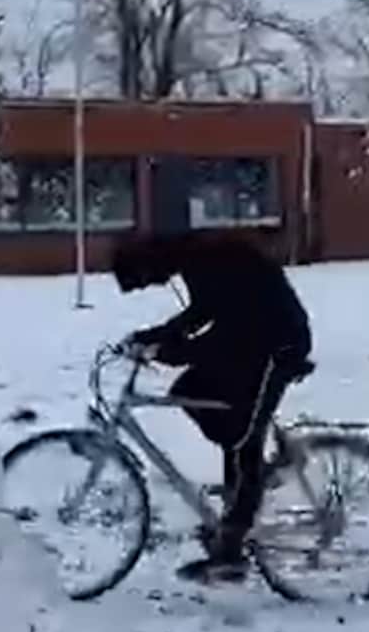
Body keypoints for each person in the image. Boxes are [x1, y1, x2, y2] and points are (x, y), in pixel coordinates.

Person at [112, 232, 314, 584]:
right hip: (251, 340)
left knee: (243, 441)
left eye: (146, 281)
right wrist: (154, 337)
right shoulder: (196, 259)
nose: (155, 285)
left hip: (277, 343)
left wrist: (172, 351)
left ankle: (233, 546)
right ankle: (248, 484)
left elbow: (227, 333)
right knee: (193, 391)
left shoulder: (209, 259)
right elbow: (203, 312)